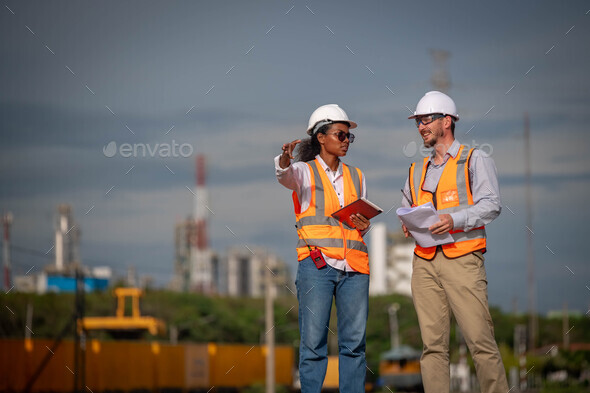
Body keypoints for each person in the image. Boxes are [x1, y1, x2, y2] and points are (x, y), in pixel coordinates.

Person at [400, 91, 509, 393]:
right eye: (418, 122)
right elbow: (408, 206)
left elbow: (492, 204)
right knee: (432, 347)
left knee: (480, 342)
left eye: (426, 120)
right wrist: (408, 224)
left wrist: (455, 220)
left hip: (462, 259)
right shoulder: (415, 169)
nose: (421, 126)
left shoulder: (475, 159)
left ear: (446, 121)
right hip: (423, 263)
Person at [275, 104, 371, 392]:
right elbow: (284, 175)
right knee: (313, 343)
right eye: (341, 135)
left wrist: (365, 225)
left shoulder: (357, 176)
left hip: (354, 268)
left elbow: (360, 221)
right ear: (321, 137)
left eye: (348, 137)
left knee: (354, 345)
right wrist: (284, 157)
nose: (345, 141)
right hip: (316, 266)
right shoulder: (303, 172)